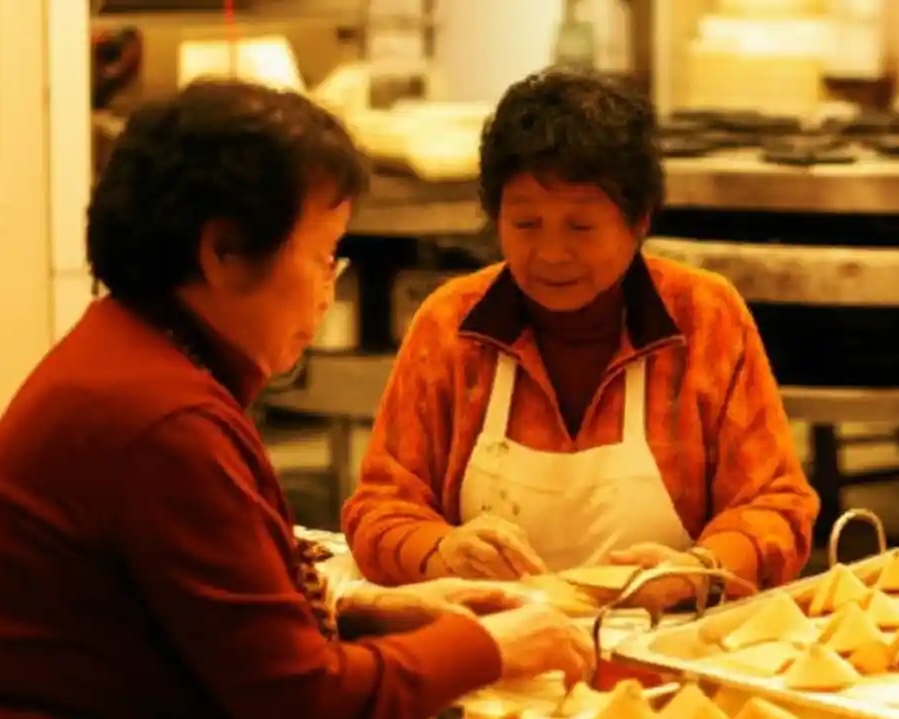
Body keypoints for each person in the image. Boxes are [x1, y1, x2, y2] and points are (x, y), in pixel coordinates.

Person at [0, 79, 593, 719]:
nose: (327, 291)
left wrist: (379, 613)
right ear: (223, 252)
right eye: (323, 256)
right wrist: (486, 646)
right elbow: (301, 701)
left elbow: (220, 627)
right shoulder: (162, 418)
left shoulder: (133, 353)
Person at [343, 69, 820, 608]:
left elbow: (776, 506)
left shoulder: (704, 319)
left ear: (638, 221)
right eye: (526, 225)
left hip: (670, 645)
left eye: (580, 227)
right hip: (493, 648)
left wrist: (701, 569)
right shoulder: (451, 327)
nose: (551, 254)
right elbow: (380, 505)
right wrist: (438, 549)